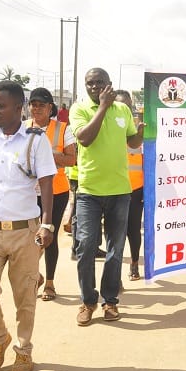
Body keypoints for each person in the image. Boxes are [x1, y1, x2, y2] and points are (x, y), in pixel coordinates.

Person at [0, 81, 57, 371]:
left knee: (24, 296)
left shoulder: (36, 140)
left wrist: (46, 224)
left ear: (19, 107)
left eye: (1, 106)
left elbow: (46, 183)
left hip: (24, 231)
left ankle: (23, 349)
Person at [70, 68, 143, 325]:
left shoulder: (123, 111)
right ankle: (88, 300)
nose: (95, 86)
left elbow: (132, 143)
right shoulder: (79, 109)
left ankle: (110, 301)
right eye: (90, 83)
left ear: (109, 84)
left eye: (100, 82)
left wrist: (142, 128)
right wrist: (102, 107)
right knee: (86, 247)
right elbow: (85, 138)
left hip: (120, 191)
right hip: (89, 192)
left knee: (115, 249)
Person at [28, 87, 76, 301]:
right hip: (28, 193)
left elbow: (71, 159)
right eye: (33, 104)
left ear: (50, 107)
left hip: (56, 191)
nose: (36, 108)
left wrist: (46, 157)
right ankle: (34, 276)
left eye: (41, 105)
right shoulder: (21, 128)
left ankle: (49, 282)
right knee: (26, 238)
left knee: (49, 237)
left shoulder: (63, 129)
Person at [116, 90, 144, 281]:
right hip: (113, 189)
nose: (123, 108)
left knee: (133, 230)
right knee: (115, 232)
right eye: (119, 105)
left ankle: (134, 263)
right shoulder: (106, 128)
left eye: (126, 105)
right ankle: (114, 271)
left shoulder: (141, 130)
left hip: (136, 190)